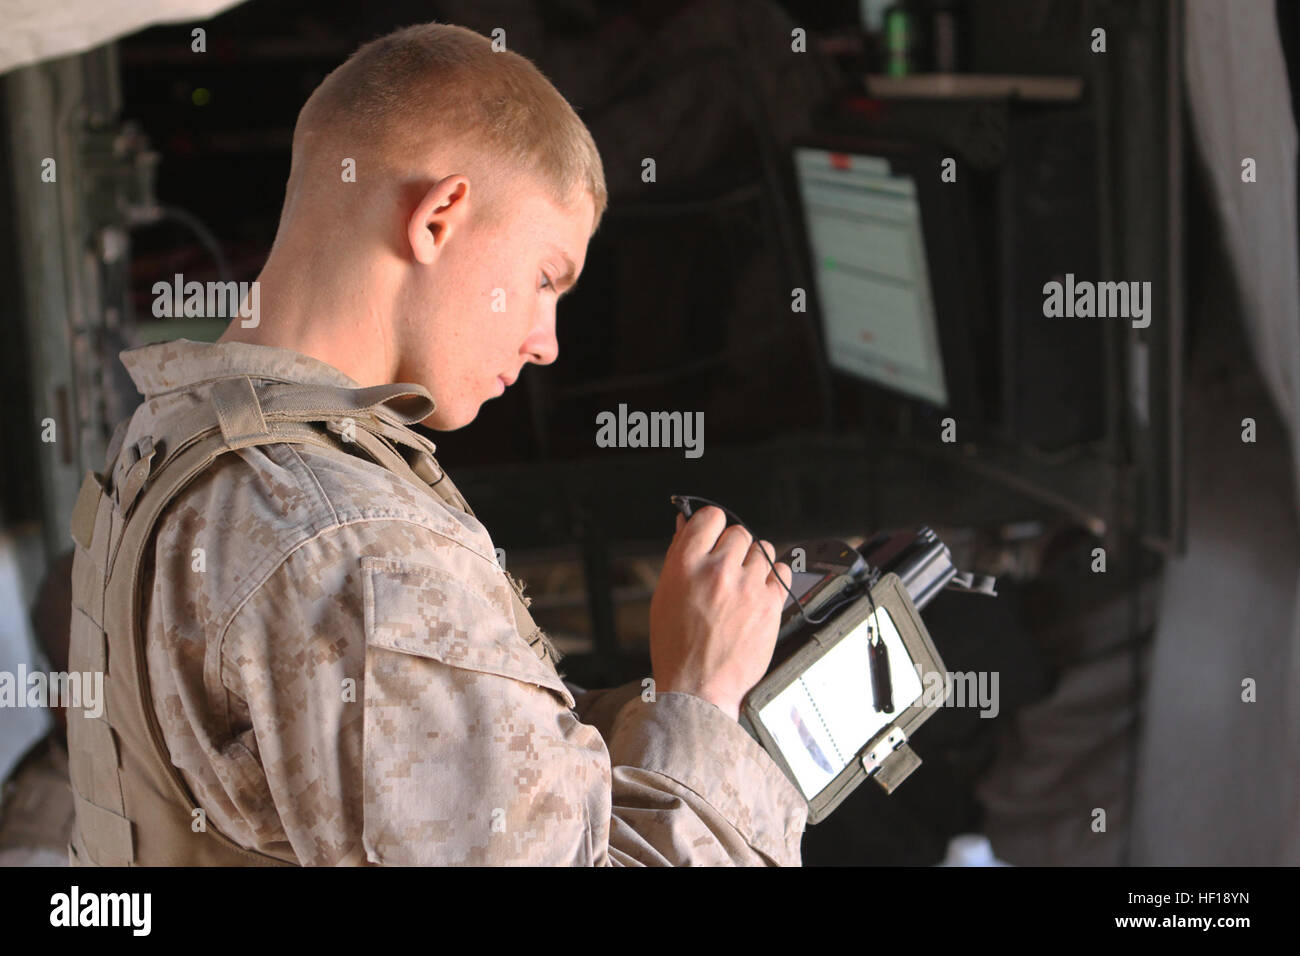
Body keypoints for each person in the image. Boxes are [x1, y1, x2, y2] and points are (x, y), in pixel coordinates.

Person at [65, 21, 804, 866]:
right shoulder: (354, 550)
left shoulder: (181, 434)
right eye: (543, 278)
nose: (545, 341)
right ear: (441, 217)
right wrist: (701, 695)